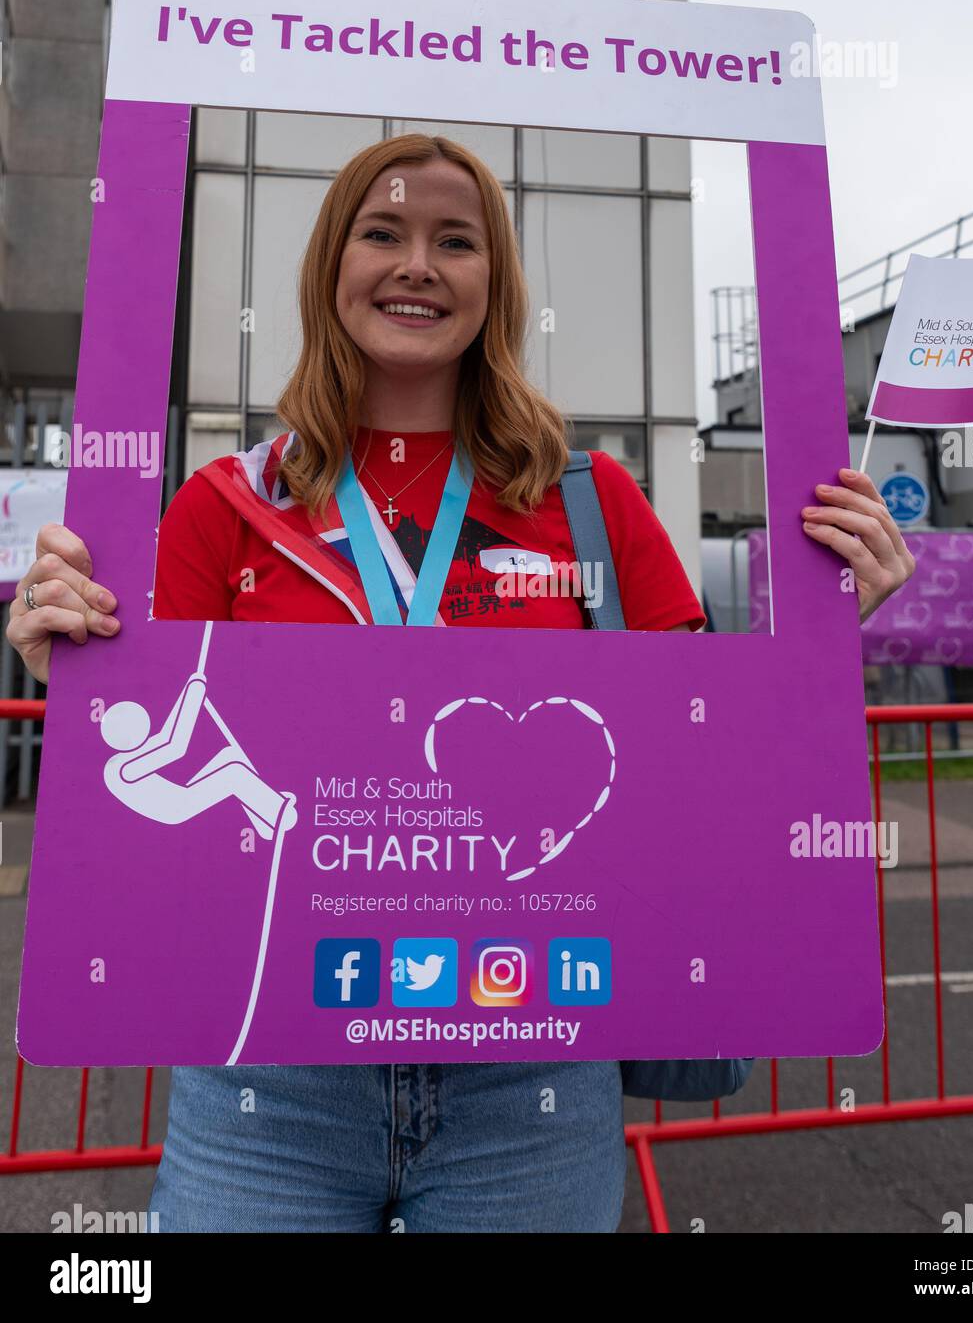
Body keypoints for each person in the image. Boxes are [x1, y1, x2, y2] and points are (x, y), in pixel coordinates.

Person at [6, 134, 914, 1233]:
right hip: (275, 1079)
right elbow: (143, 789)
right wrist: (79, 672)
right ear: (329, 268)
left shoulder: (592, 502)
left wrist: (820, 645)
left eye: (456, 241)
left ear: (498, 282)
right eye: (381, 232)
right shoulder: (221, 509)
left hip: (527, 1074)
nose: (418, 265)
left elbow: (699, 757)